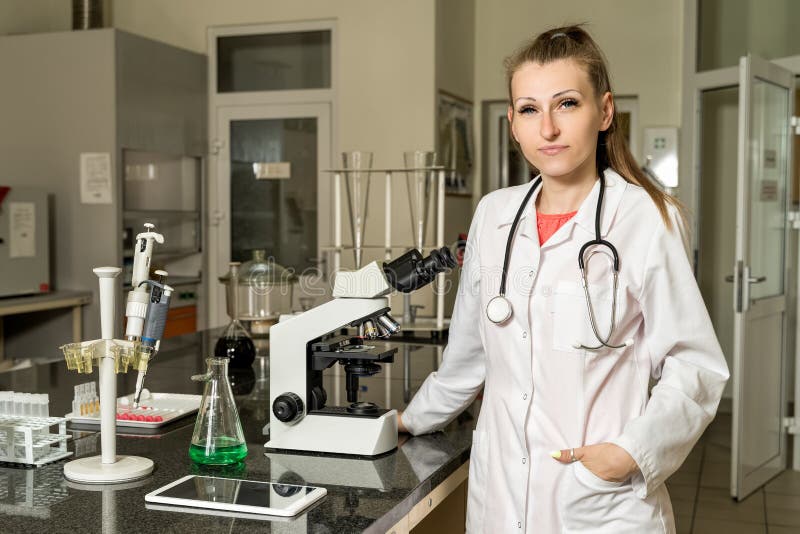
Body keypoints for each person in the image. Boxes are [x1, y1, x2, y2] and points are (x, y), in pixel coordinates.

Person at [398, 25, 729, 533]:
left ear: (606, 111)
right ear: (512, 123)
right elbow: (469, 354)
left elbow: (695, 365)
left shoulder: (643, 218)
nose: (547, 128)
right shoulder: (494, 215)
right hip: (501, 495)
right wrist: (408, 421)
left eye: (567, 104)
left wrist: (630, 452)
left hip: (600, 502)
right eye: (529, 109)